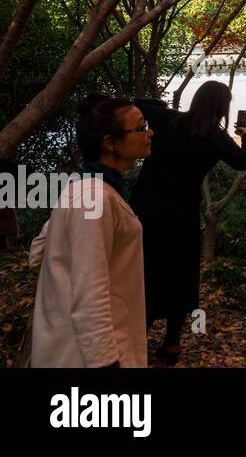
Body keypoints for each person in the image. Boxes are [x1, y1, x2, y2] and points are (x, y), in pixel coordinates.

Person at [130, 81, 246, 364]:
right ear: (223, 107)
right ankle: (172, 344)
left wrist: (161, 106)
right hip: (182, 214)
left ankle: (135, 339)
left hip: (147, 209)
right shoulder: (216, 137)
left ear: (197, 99)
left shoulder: (168, 119)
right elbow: (245, 160)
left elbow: (140, 101)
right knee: (179, 274)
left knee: (145, 271)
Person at [28, 94, 153, 368]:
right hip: (85, 357)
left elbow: (37, 253)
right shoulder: (94, 196)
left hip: (75, 344)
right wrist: (105, 362)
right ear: (110, 143)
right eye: (141, 127)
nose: (149, 132)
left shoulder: (86, 188)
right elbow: (90, 290)